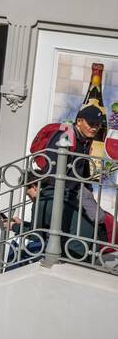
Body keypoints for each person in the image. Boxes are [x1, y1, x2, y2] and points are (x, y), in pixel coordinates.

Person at [29, 104, 105, 264]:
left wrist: (87, 188)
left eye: (97, 125)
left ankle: (96, 253)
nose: (94, 128)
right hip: (63, 189)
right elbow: (53, 167)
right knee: (88, 220)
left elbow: (82, 167)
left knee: (98, 218)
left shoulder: (84, 139)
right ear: (79, 121)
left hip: (76, 188)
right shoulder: (65, 136)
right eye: (91, 124)